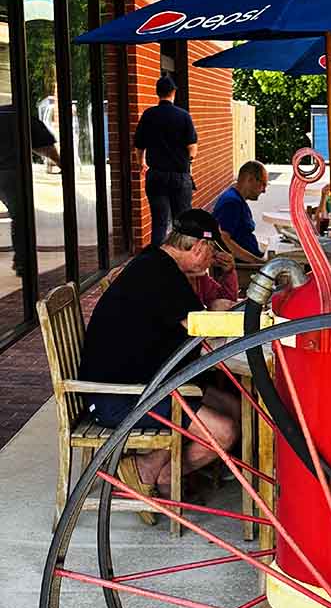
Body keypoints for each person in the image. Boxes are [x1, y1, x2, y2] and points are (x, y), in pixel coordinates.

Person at [79, 209, 239, 522]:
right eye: (212, 253)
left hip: (147, 383)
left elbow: (194, 319)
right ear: (198, 248)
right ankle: (150, 472)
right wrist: (227, 314)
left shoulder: (158, 263)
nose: (211, 262)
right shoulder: (159, 274)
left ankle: (163, 471)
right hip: (118, 396)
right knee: (224, 430)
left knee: (233, 408)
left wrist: (217, 308)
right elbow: (200, 327)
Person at [134, 74, 198, 247]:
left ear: (157, 93)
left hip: (156, 176)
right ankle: (182, 262)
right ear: (173, 92)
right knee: (183, 223)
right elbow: (192, 148)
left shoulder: (148, 115)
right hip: (179, 176)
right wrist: (188, 160)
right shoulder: (184, 116)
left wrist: (142, 164)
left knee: (159, 223)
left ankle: (157, 264)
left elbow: (139, 147)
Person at [0, 106, 61, 277]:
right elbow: (45, 146)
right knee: (21, 216)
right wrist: (60, 162)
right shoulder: (23, 116)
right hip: (10, 173)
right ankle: (22, 262)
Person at [213, 160, 268, 263]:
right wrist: (257, 262)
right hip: (243, 268)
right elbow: (223, 239)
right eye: (263, 184)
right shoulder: (232, 203)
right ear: (250, 179)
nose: (264, 190)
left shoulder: (235, 198)